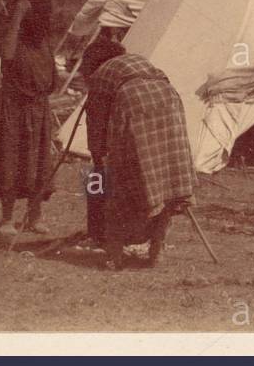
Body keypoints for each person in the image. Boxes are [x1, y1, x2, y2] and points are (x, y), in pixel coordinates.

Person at [81, 37, 195, 269]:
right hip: (170, 105)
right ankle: (156, 250)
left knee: (121, 180)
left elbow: (96, 125)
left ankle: (114, 253)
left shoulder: (101, 74)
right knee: (166, 181)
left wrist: (99, 163)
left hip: (134, 107)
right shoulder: (137, 63)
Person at [0, 0, 57, 238]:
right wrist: (18, 15)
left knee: (37, 162)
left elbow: (51, 75)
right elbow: (8, 53)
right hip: (14, 106)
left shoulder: (42, 41)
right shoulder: (12, 36)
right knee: (11, 159)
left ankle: (35, 215)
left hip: (38, 107)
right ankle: (7, 217)